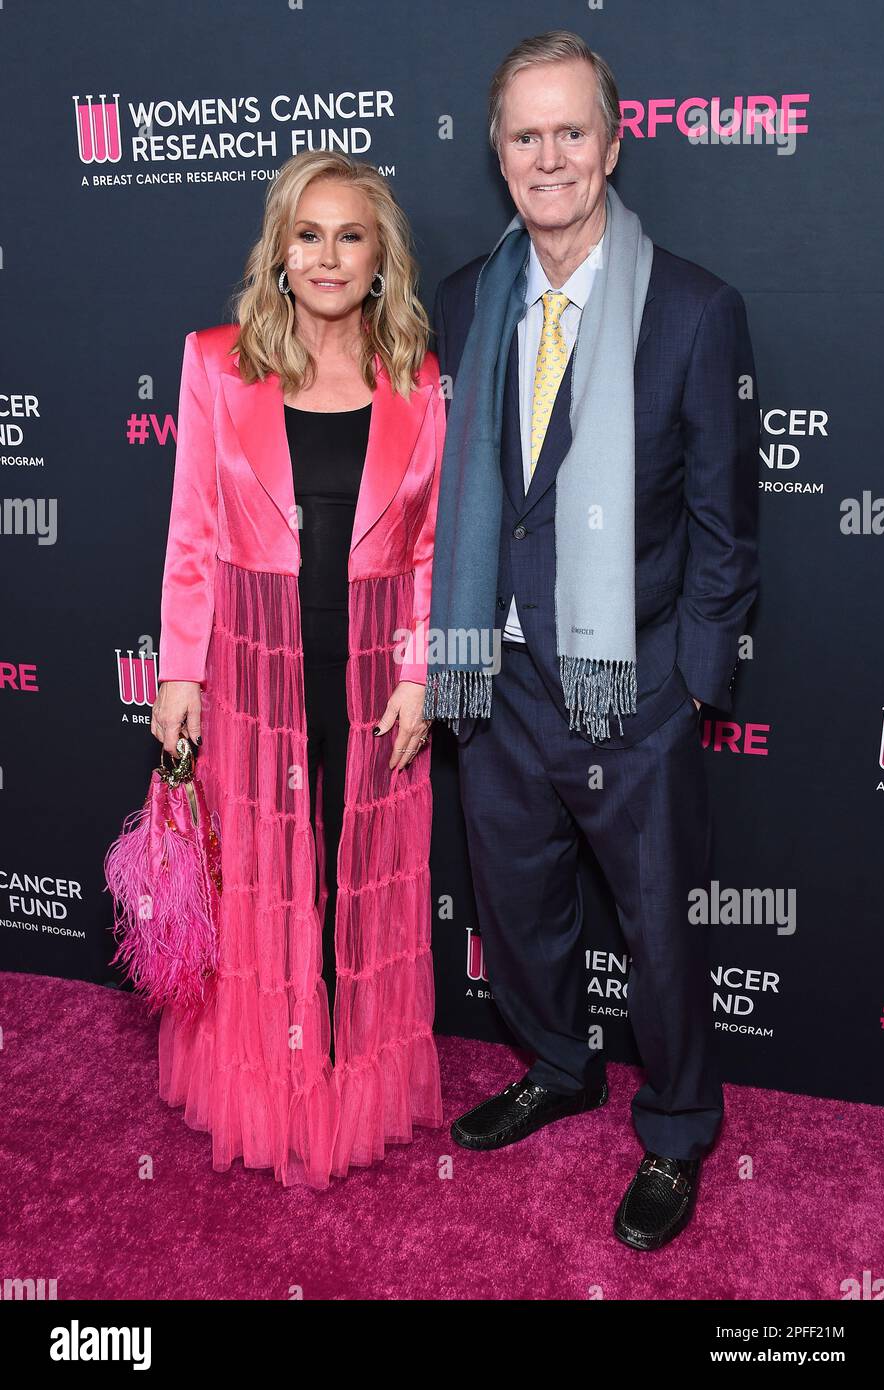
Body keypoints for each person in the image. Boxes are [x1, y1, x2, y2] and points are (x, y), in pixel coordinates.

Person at [424, 31, 759, 1249]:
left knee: (659, 925)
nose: (550, 156)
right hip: (496, 672)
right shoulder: (467, 295)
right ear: (498, 154)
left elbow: (727, 525)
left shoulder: (693, 308)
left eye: (572, 131)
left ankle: (674, 1130)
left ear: (615, 144)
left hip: (633, 676)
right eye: (526, 135)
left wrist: (689, 684)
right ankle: (559, 1064)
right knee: (515, 903)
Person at [151, 151, 445, 1189]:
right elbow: (192, 530)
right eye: (308, 234)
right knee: (261, 875)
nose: (328, 255)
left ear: (380, 257)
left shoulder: (419, 380)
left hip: (371, 670)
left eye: (350, 235)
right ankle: (266, 1085)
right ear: (281, 249)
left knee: (353, 875)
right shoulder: (215, 361)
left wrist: (423, 672)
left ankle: (343, 1074)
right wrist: (177, 671)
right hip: (248, 664)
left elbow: (428, 551)